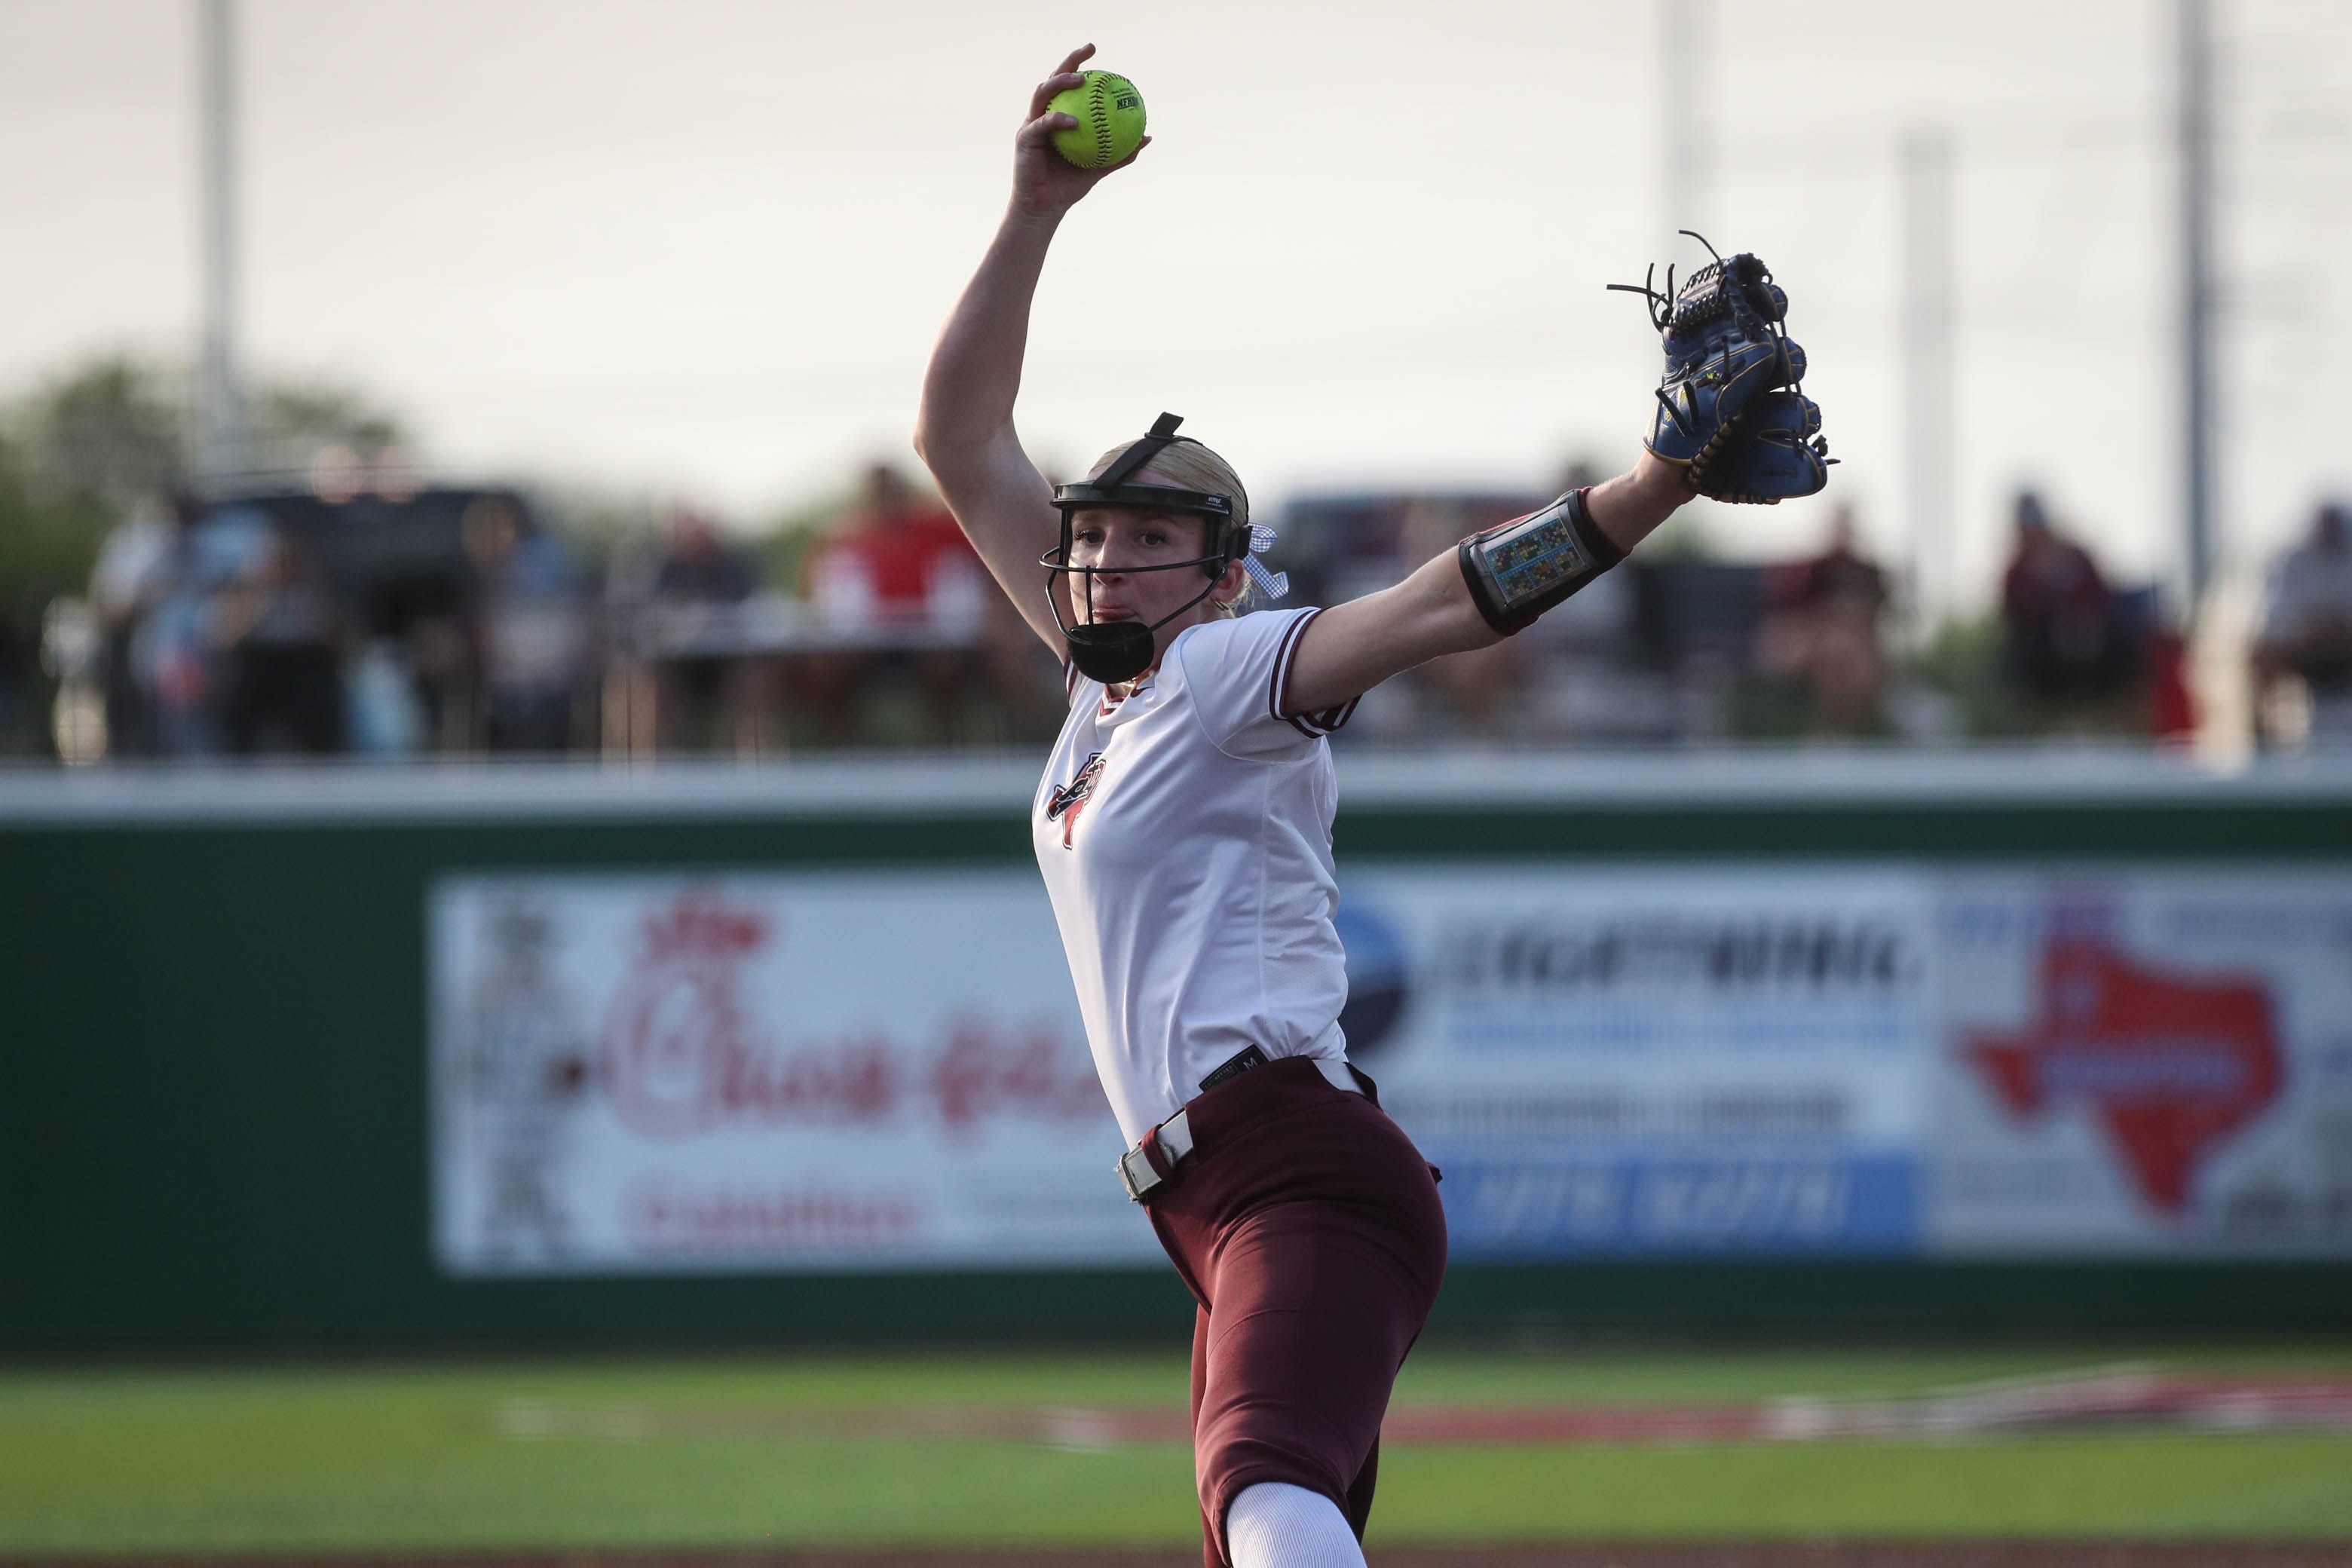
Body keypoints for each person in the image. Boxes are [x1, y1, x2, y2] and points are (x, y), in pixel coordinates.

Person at [912, 47, 1699, 1568]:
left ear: (1222, 570)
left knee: (1265, 1495)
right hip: (1215, 1196)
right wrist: (1031, 211)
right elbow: (959, 438)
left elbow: (1438, 608)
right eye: (1096, 536)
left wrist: (1656, 479)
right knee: (1269, 1521)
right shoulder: (1104, 688)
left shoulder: (1224, 668)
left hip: (1294, 1164)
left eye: (1152, 538)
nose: (1106, 561)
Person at [2253, 501, 2352, 747]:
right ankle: (2263, 743)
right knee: (2260, 656)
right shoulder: (2293, 562)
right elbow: (2276, 620)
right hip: (2306, 652)